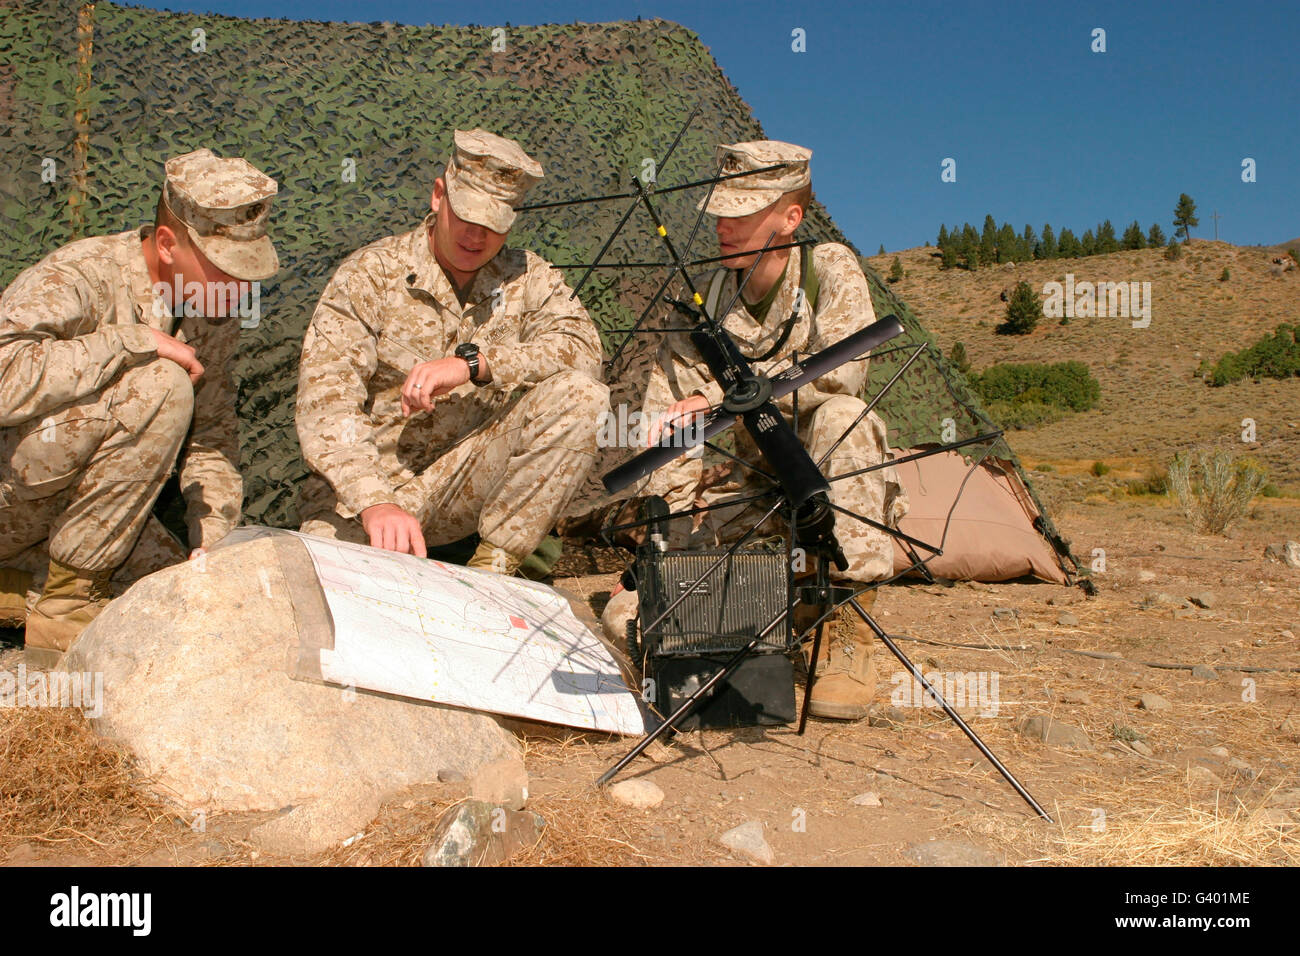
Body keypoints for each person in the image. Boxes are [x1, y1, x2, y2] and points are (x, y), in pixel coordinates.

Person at [635, 139, 908, 720]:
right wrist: (661, 543)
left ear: (791, 217)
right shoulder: (703, 300)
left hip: (818, 481)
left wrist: (720, 394)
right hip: (747, 490)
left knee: (846, 419)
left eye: (746, 211)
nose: (725, 226)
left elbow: (844, 374)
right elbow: (671, 432)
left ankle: (847, 622)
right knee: (636, 614)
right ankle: (792, 603)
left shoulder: (827, 268)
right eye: (722, 211)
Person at [0, 149, 280, 663]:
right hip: (12, 496)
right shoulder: (81, 275)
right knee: (163, 383)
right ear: (169, 244)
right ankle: (65, 606)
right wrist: (131, 341)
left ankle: (23, 588)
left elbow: (211, 434)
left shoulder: (209, 311)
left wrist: (212, 540)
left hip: (75, 512)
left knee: (181, 601)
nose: (241, 290)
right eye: (225, 271)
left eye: (248, 274)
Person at [296, 128, 608, 574]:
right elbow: (325, 406)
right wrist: (376, 502)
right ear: (439, 196)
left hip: (462, 491)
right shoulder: (371, 274)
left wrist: (476, 364)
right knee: (330, 592)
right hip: (367, 500)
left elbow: (584, 351)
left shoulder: (528, 277)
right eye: (467, 216)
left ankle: (492, 574)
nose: (477, 237)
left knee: (582, 396)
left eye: (494, 225)